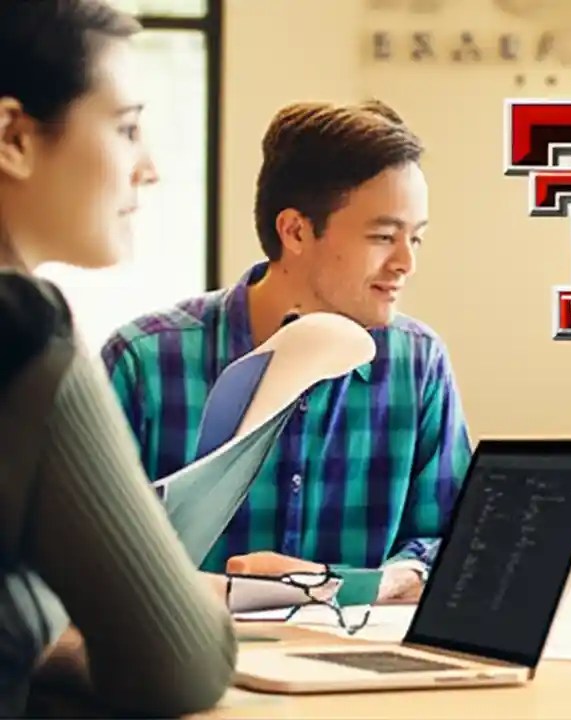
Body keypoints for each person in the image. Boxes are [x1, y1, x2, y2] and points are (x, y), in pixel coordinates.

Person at [100, 100, 472, 601]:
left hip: (362, 651)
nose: (406, 262)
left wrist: (344, 586)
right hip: (184, 646)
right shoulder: (144, 362)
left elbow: (451, 544)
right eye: (384, 236)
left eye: (416, 239)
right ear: (295, 231)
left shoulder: (418, 365)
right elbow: (81, 557)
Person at [0, 0, 235, 715]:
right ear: (13, 137)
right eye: (127, 128)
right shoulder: (22, 328)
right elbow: (182, 664)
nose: (150, 169)